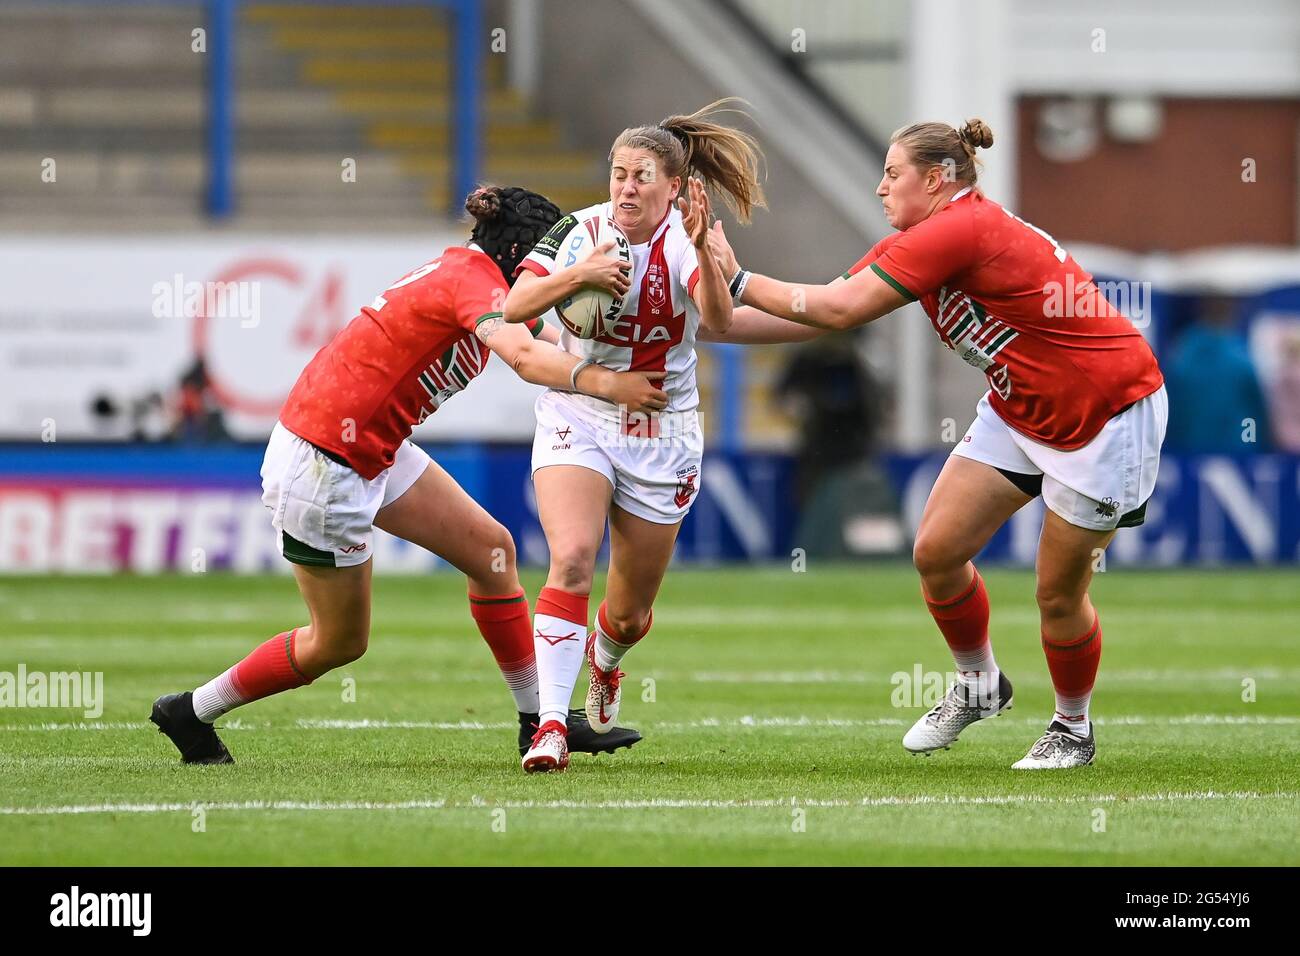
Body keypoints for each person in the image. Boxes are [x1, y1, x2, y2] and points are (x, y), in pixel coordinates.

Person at [149, 186, 664, 765]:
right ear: (523, 256)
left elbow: (549, 341)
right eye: (550, 257)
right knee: (339, 642)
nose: (556, 270)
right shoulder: (473, 282)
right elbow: (524, 359)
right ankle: (191, 711)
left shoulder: (476, 277)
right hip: (325, 464)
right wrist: (607, 383)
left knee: (492, 552)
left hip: (369, 447)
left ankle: (538, 719)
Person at [710, 119, 1167, 769]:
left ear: (936, 179)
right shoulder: (931, 233)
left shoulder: (959, 228)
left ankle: (1072, 728)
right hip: (1024, 408)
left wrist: (739, 281)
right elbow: (823, 311)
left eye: (892, 174)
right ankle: (980, 685)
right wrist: (701, 318)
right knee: (937, 552)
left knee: (1058, 593)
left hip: (1104, 411)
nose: (879, 188)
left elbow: (836, 309)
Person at [503, 99, 818, 772]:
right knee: (572, 558)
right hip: (579, 414)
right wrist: (579, 276)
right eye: (619, 173)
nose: (625, 188)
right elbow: (515, 307)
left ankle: (606, 659)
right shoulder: (578, 231)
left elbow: (721, 320)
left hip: (661, 431)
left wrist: (705, 248)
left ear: (674, 187)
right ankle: (552, 727)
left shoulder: (688, 240)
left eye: (641, 175)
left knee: (627, 612)